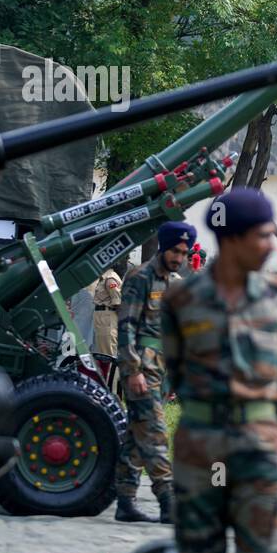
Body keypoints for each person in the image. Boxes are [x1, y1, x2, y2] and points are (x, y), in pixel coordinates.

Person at [162, 188, 277, 553]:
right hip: (199, 445)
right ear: (234, 238)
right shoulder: (183, 299)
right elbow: (175, 368)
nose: (271, 244)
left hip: (258, 446)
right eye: (263, 235)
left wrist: (256, 418)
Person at [114, 220, 192, 523]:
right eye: (175, 250)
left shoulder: (173, 282)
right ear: (163, 247)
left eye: (184, 252)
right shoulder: (140, 276)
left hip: (161, 368)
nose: (179, 257)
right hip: (141, 368)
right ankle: (167, 501)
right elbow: (126, 327)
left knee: (137, 437)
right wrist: (132, 370)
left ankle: (125, 502)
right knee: (156, 434)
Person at [93, 267, 124, 357]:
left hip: (107, 316)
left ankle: (107, 370)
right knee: (101, 348)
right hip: (102, 315)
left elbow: (117, 301)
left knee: (107, 351)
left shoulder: (110, 279)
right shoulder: (104, 278)